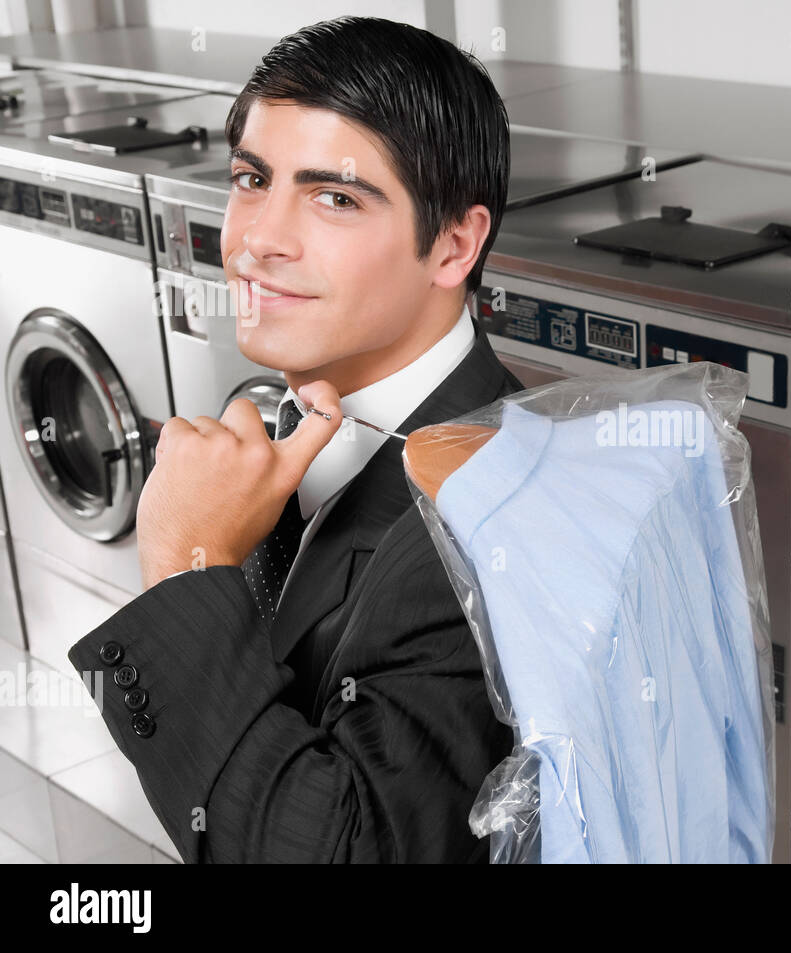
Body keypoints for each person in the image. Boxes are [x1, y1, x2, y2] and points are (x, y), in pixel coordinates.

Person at [66, 16, 522, 863]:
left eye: (335, 197)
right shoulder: (311, 417)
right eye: (251, 178)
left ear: (455, 244)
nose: (255, 242)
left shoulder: (479, 522)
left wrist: (185, 566)